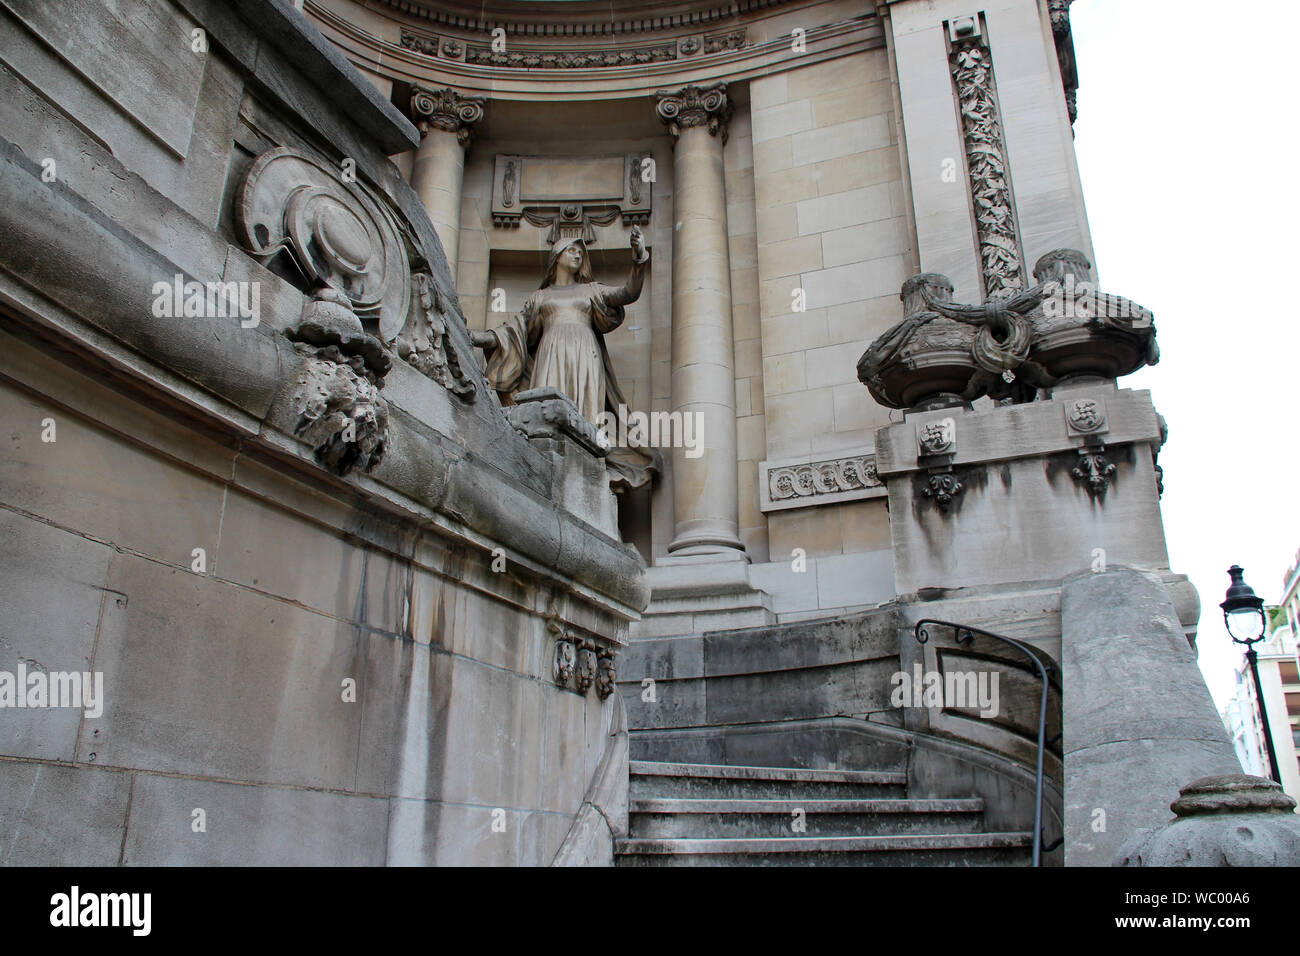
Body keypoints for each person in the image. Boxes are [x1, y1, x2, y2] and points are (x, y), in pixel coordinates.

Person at [470, 226, 660, 491]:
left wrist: (639, 259)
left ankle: (585, 473)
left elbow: (628, 293)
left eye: (581, 252)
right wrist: (480, 338)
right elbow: (513, 332)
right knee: (547, 412)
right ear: (557, 256)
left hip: (585, 356)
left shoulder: (591, 290)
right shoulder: (540, 297)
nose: (577, 256)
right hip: (550, 355)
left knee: (585, 415)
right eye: (571, 250)